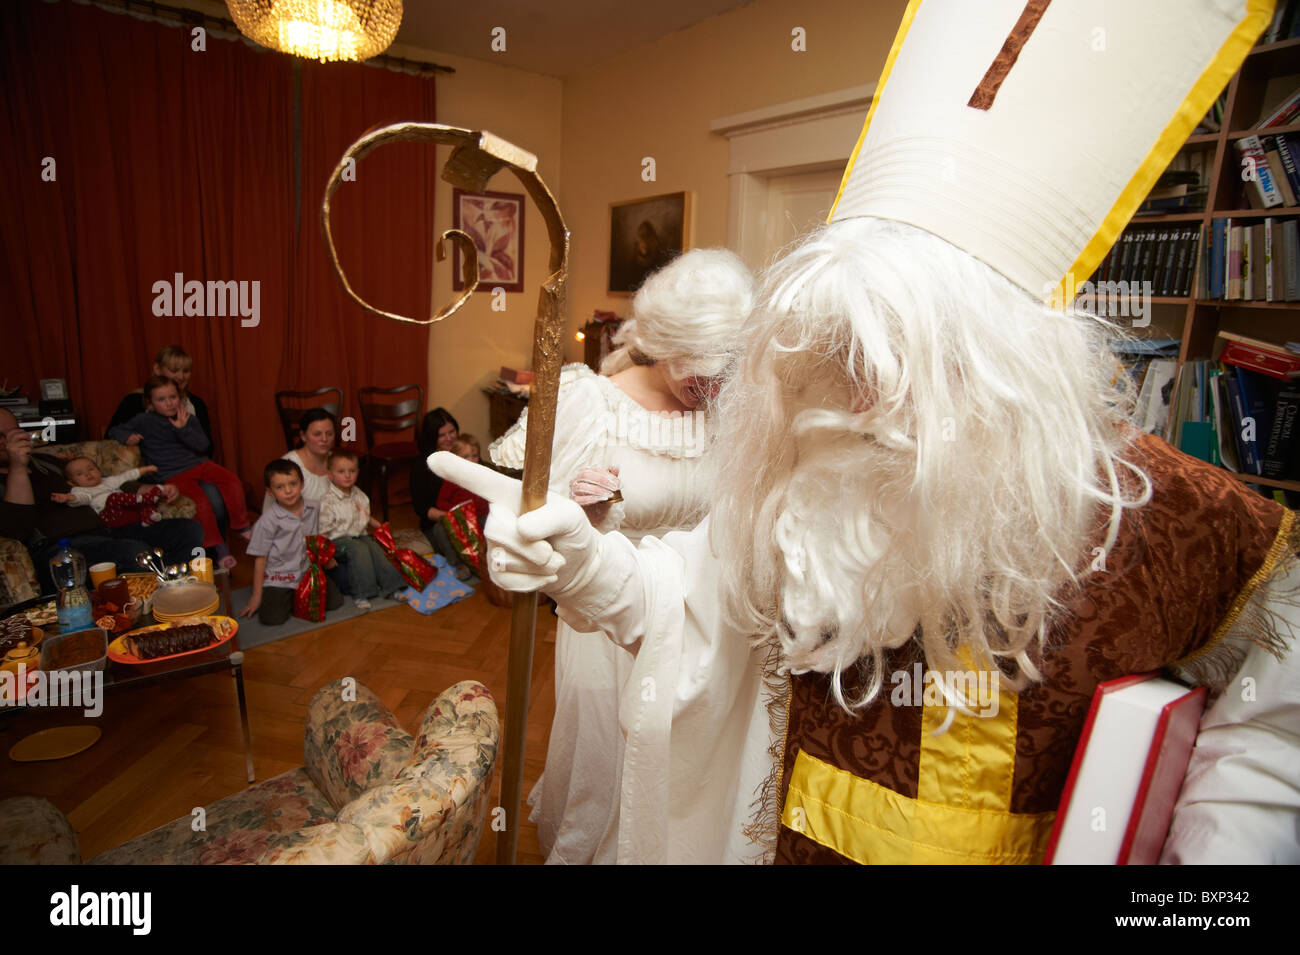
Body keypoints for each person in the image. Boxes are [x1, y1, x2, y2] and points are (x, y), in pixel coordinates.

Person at [433, 1, 1299, 864]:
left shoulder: (1161, 515)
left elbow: (1275, 715)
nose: (852, 399)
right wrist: (578, 562)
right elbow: (679, 608)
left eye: (893, 358)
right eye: (832, 351)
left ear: (1004, 365)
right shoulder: (807, 489)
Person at [487, 247, 755, 864]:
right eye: (704, 369)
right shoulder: (589, 402)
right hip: (608, 625)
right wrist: (585, 517)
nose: (715, 387)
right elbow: (529, 522)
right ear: (662, 342)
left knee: (685, 759)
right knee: (613, 760)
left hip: (702, 616)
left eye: (729, 370)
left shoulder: (729, 408)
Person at [0, 408, 203, 592]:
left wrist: (153, 489)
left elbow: (102, 484)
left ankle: (180, 595)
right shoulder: (10, 475)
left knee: (187, 530)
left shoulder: (45, 461)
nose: (10, 442)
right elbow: (17, 529)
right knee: (135, 553)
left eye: (13, 434)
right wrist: (17, 467)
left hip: (107, 527)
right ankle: (152, 611)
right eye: (2, 437)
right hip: (61, 548)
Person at [108, 376, 249, 569]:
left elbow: (203, 445)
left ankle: (241, 526)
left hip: (199, 464)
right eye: (161, 399)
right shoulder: (144, 420)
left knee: (232, 480)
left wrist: (183, 430)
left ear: (180, 397)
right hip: (172, 473)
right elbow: (114, 431)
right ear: (150, 403)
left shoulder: (187, 418)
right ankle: (220, 550)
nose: (169, 403)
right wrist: (128, 436)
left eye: (173, 397)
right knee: (201, 504)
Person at [241, 459, 342, 625]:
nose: (288, 491)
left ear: (302, 485)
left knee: (335, 602)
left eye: (293, 484)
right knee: (272, 619)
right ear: (270, 492)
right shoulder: (267, 522)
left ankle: (298, 597)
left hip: (308, 570)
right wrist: (256, 596)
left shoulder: (315, 508)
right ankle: (289, 597)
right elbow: (260, 559)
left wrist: (327, 559)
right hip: (280, 576)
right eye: (280, 487)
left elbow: (319, 538)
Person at [318, 449, 405, 610]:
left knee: (375, 547)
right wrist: (325, 555)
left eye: (351, 471)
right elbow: (323, 532)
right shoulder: (327, 501)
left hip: (359, 535)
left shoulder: (359, 495)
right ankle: (361, 593)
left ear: (357, 472)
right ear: (330, 474)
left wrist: (379, 526)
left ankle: (393, 587)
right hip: (337, 542)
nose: (347, 475)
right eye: (341, 471)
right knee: (358, 549)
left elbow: (365, 516)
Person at [411, 407, 475, 580]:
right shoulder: (423, 465)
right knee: (443, 531)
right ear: (432, 437)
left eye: (452, 431)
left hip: (470, 516)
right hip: (438, 521)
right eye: (442, 435)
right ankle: (458, 565)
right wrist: (453, 518)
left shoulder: (465, 453)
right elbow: (422, 508)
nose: (449, 438)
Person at [50, 457, 165, 528]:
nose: (88, 474)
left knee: (140, 504)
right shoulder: (79, 490)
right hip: (110, 516)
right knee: (114, 497)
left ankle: (148, 517)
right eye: (80, 474)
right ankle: (144, 499)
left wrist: (143, 470)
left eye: (91, 469)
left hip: (127, 510)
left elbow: (125, 476)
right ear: (72, 483)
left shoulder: (108, 481)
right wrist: (69, 498)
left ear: (98, 470)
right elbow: (82, 498)